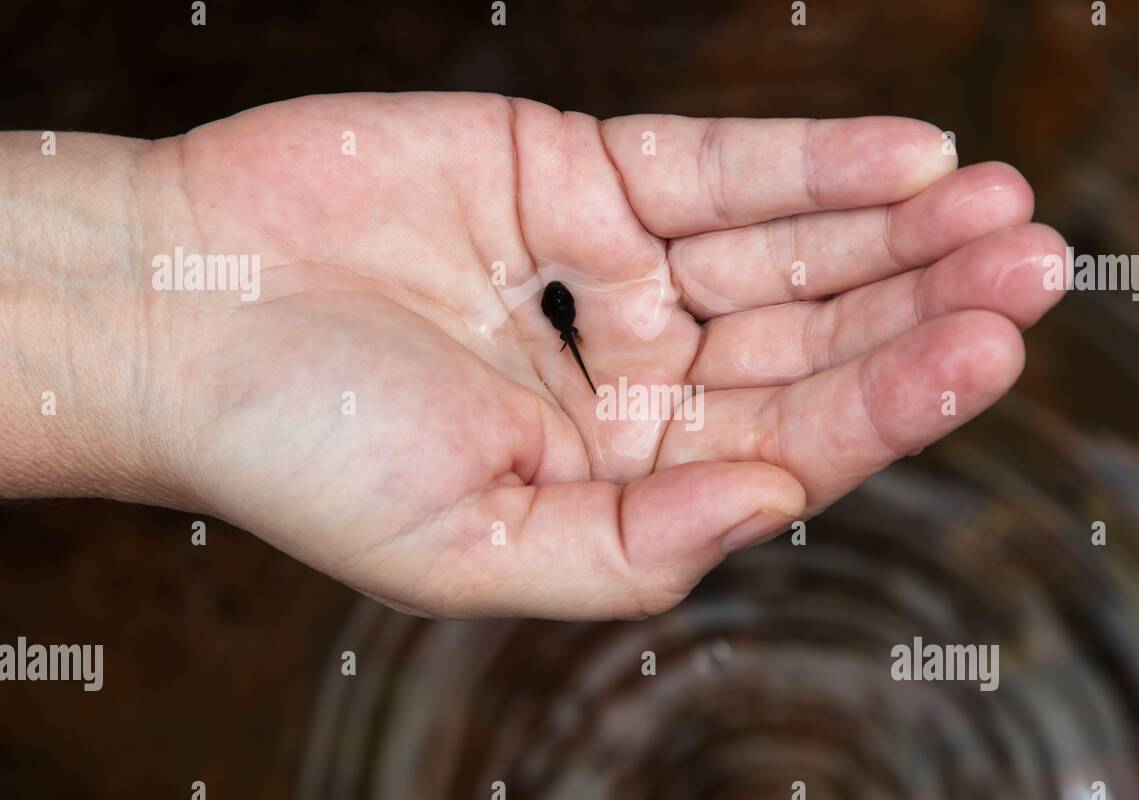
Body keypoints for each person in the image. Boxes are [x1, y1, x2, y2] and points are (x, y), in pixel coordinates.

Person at [0, 93, 1066, 620]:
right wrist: (149, 283)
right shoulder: (556, 304)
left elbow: (550, 297)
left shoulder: (554, 303)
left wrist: (148, 261)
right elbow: (551, 298)